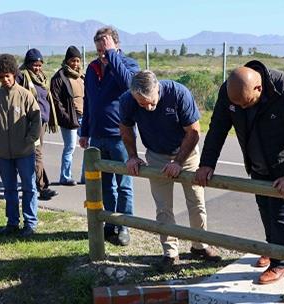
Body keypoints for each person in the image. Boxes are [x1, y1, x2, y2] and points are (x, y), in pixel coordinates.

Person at [195, 61, 284, 284]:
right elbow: (218, 127)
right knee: (265, 209)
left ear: (258, 88)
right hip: (257, 162)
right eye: (236, 105)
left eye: (245, 103)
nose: (241, 108)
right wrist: (207, 163)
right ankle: (272, 248)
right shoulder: (230, 91)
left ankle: (280, 263)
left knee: (280, 214)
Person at [119, 70, 222, 269]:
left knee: (196, 201)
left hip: (187, 153)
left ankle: (200, 245)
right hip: (156, 155)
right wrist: (132, 156)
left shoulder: (178, 94)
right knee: (163, 206)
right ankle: (170, 252)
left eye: (150, 101)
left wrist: (179, 162)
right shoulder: (127, 100)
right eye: (142, 104)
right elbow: (125, 129)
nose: (148, 107)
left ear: (157, 88)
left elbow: (193, 132)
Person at [79, 26, 140, 246]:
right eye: (99, 51)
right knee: (106, 186)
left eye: (104, 51)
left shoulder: (128, 65)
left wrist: (112, 56)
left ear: (116, 46)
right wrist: (85, 131)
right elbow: (88, 101)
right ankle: (110, 223)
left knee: (124, 185)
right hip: (97, 136)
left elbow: (129, 85)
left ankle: (124, 226)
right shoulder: (92, 68)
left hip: (120, 137)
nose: (101, 56)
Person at [0, 53, 41, 238]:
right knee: (9, 189)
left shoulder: (25, 95)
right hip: (3, 153)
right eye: (1, 77)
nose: (5, 79)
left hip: (25, 152)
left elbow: (36, 119)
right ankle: (12, 222)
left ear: (14, 74)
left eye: (8, 75)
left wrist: (29, 139)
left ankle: (30, 223)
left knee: (29, 188)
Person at [17, 48, 58, 201]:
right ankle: (42, 187)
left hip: (43, 121)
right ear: (28, 64)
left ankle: (36, 185)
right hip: (31, 122)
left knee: (36, 153)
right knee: (36, 154)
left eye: (40, 65)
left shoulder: (41, 77)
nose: (37, 68)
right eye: (35, 65)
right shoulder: (21, 77)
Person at [51, 46, 86, 186]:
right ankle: (65, 177)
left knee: (88, 148)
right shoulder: (59, 77)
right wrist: (65, 117)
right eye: (73, 60)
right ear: (67, 60)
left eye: (78, 61)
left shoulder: (82, 76)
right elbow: (56, 100)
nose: (75, 64)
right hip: (69, 118)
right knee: (70, 147)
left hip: (84, 117)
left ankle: (86, 176)